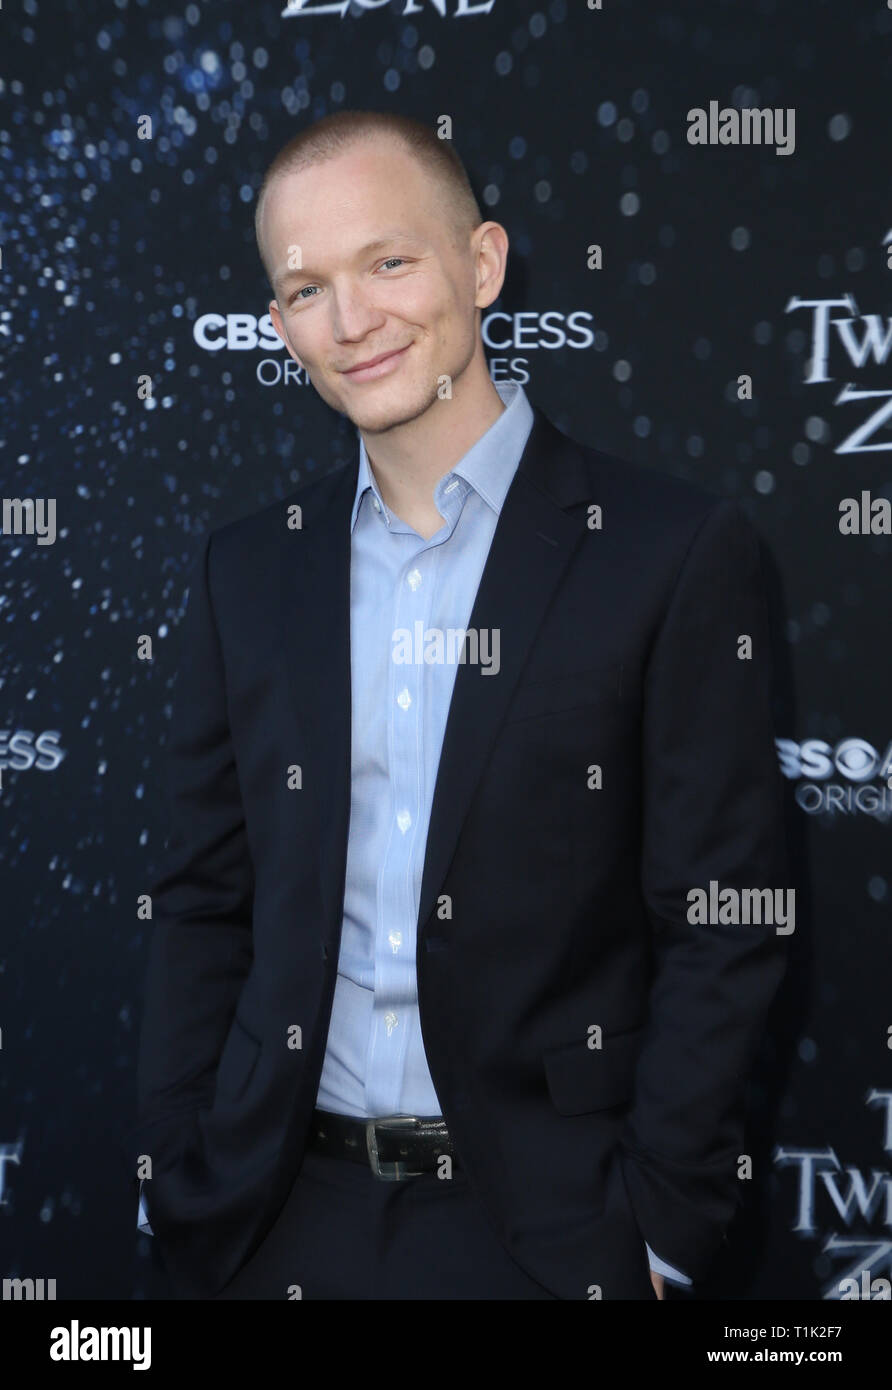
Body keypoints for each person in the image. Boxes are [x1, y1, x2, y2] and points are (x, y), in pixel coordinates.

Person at [124, 109, 790, 1301]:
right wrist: (181, 1164)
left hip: (546, 1234)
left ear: (481, 265)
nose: (352, 321)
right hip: (272, 1218)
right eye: (306, 287)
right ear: (278, 325)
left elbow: (724, 918)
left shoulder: (669, 552)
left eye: (389, 262)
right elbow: (203, 900)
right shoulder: (248, 569)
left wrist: (658, 1232)